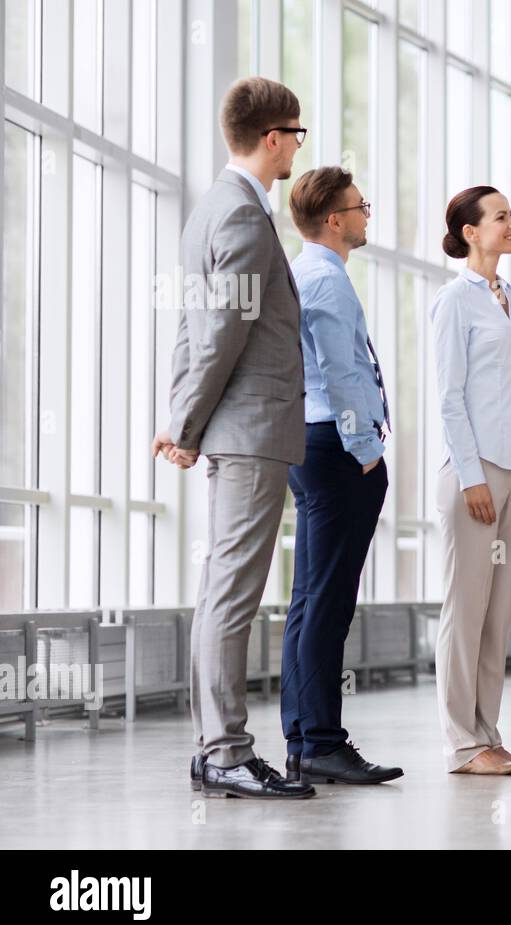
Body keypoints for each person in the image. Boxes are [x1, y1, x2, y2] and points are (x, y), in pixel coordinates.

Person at [154, 77, 314, 799]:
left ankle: (216, 747)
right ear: (274, 137)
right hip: (251, 430)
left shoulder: (209, 209)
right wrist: (185, 422)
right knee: (232, 593)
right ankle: (224, 750)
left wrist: (183, 419)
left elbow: (195, 330)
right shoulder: (246, 216)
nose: (297, 150)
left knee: (221, 587)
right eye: (297, 136)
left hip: (233, 425)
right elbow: (220, 334)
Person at [279, 166, 402, 786]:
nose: (366, 214)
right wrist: (364, 448)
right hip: (335, 447)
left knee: (310, 598)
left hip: (312, 443)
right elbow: (341, 373)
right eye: (360, 206)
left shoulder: (309, 274)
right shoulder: (325, 281)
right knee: (328, 600)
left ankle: (304, 738)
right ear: (334, 218)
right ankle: (321, 740)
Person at [431, 186, 511, 775]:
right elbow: (449, 398)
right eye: (502, 216)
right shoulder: (455, 301)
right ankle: (462, 743)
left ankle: (489, 734)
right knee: (466, 609)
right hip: (471, 476)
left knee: (498, 613)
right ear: (472, 231)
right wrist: (472, 478)